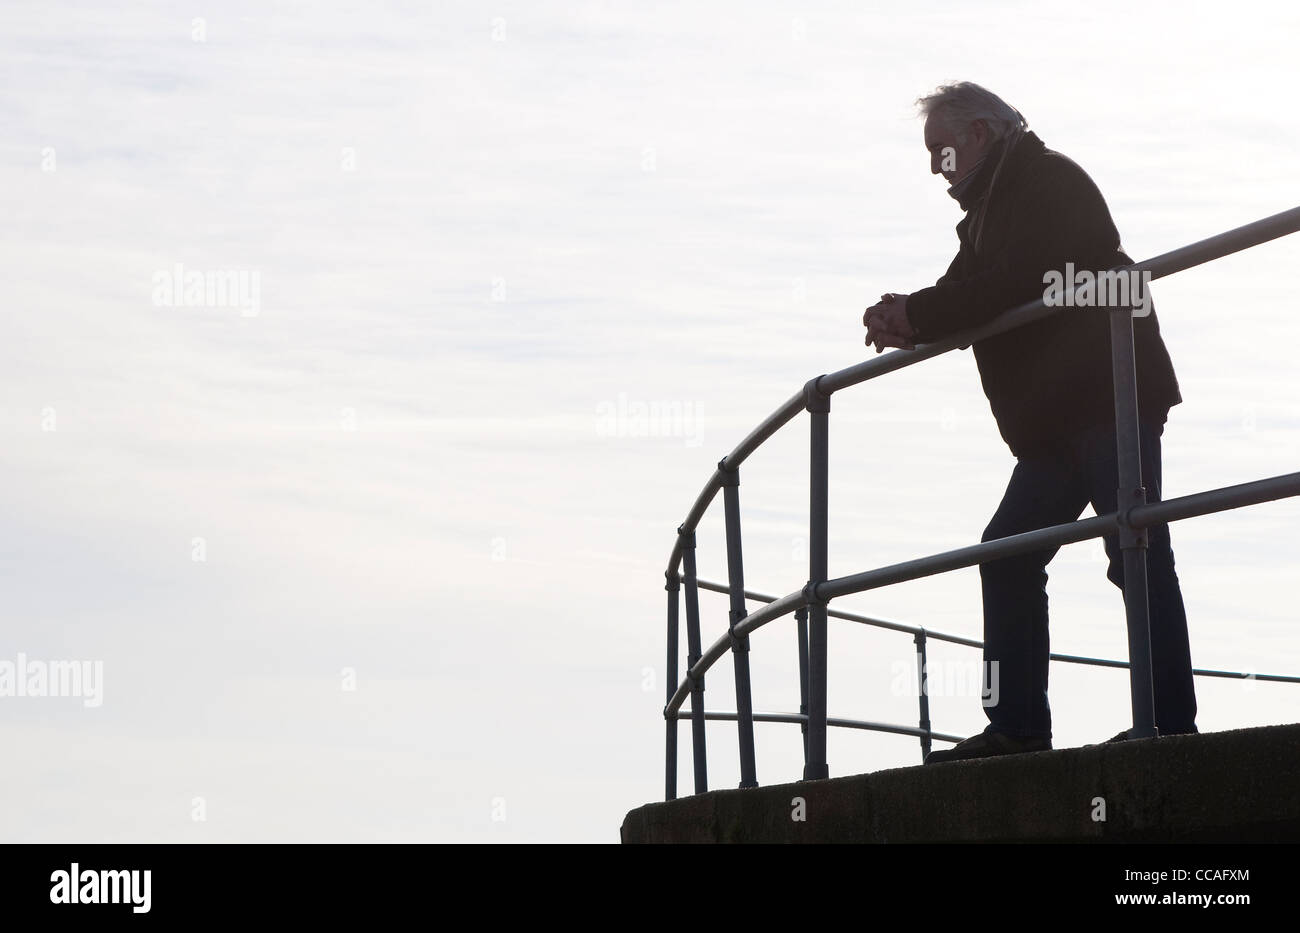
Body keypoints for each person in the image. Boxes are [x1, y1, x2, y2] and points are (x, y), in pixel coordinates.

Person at [862, 82, 1198, 764]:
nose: (937, 166)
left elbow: (1011, 280)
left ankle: (1167, 726)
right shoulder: (995, 206)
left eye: (943, 149)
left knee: (1133, 547)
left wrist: (918, 315)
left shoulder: (1048, 182)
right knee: (1009, 551)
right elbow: (966, 292)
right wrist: (908, 317)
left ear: (981, 133)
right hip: (1059, 420)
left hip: (1108, 396)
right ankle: (1017, 729)